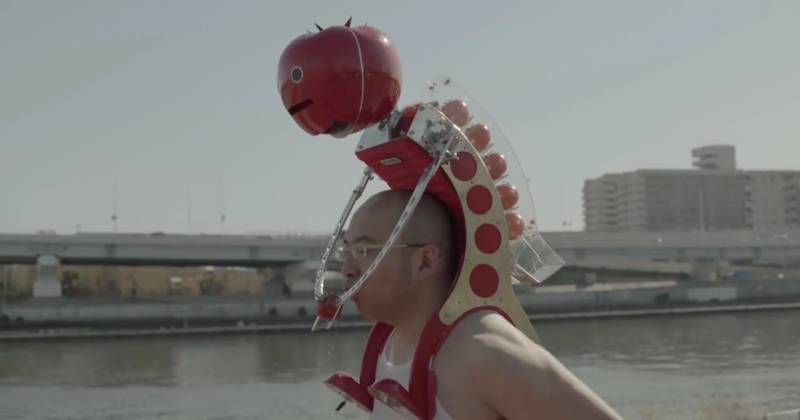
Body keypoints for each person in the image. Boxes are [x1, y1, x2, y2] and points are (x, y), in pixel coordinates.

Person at [339, 189, 622, 420]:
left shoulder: (482, 351)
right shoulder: (387, 344)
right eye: (346, 250)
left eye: (363, 251)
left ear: (424, 262)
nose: (347, 269)